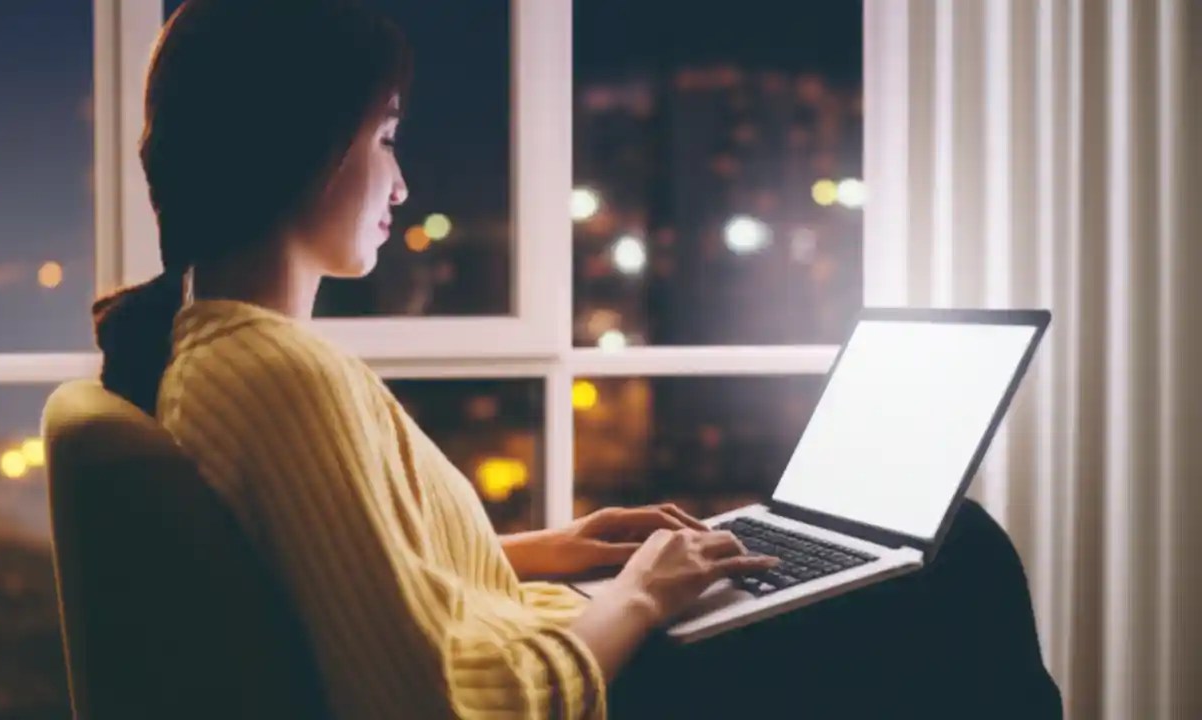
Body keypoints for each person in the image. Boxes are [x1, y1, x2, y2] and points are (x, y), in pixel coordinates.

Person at [91, 1, 1062, 717]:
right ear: (303, 145)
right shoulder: (278, 377)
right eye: (384, 138)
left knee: (911, 574)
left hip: (563, 642)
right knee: (957, 558)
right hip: (598, 692)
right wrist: (638, 597)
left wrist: (550, 549)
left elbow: (359, 582)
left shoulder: (225, 355)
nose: (401, 180)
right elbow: (435, 704)